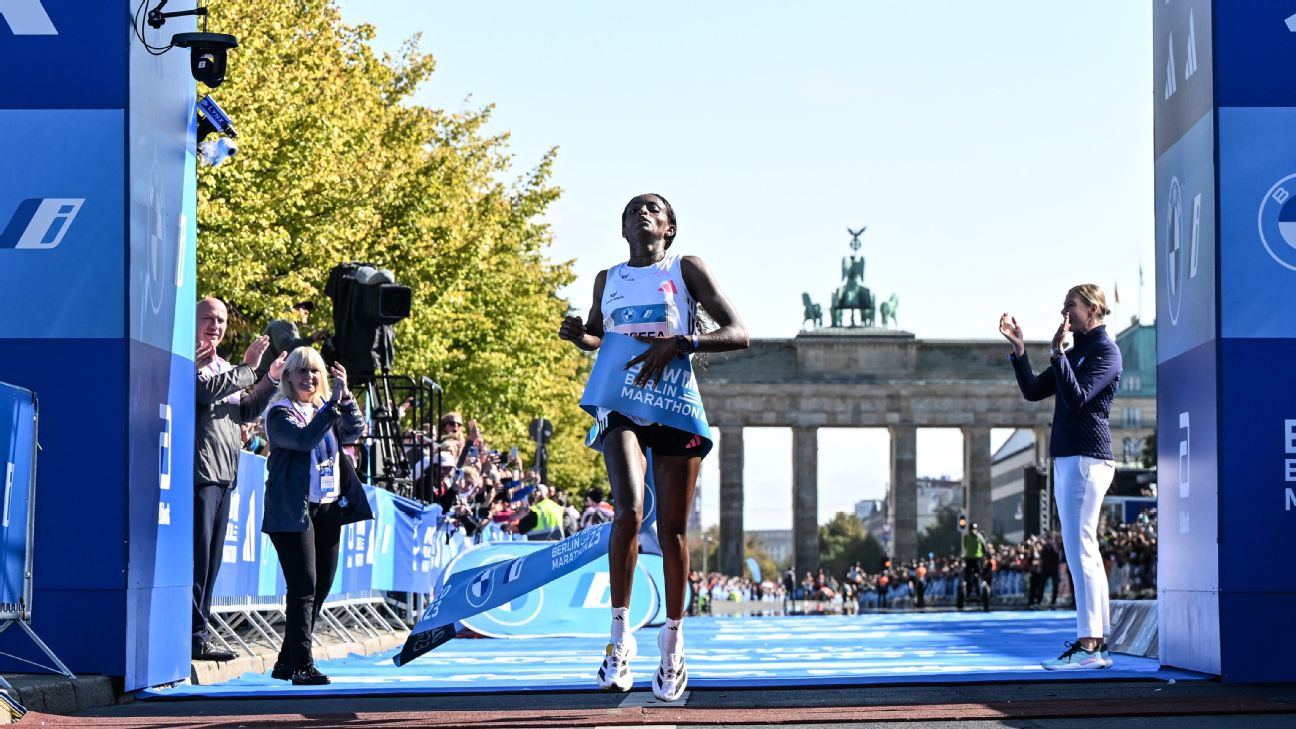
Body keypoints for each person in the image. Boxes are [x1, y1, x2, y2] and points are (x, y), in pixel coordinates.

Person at [559, 193, 748, 701]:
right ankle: (619, 639)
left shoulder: (686, 269)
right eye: (631, 210)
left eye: (653, 209)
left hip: (672, 398)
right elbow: (601, 333)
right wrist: (582, 336)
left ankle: (672, 641)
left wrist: (682, 343)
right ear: (623, 229)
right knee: (627, 511)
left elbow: (739, 333)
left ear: (669, 226)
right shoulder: (609, 278)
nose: (641, 214)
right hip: (619, 396)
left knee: (672, 532)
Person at [1000, 283, 1122, 670]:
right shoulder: (1076, 352)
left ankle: (1088, 644)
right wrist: (1021, 351)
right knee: (1084, 547)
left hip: (1088, 455)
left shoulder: (1107, 352)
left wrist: (1057, 353)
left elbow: (1079, 398)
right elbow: (1035, 390)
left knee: (1080, 547)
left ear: (1093, 308)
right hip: (1071, 456)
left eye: (1071, 305)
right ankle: (1098, 642)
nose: (1064, 312)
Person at [262, 346, 373, 685]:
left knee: (321, 585)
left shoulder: (328, 408)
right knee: (303, 587)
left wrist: (347, 399)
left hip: (327, 507)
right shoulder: (279, 412)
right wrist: (332, 407)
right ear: (288, 376)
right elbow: (303, 440)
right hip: (292, 510)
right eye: (301, 371)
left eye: (315, 372)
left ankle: (286, 660)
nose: (308, 378)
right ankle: (302, 665)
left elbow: (354, 431)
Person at [193, 297, 285, 662]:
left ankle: (199, 633)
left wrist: (269, 378)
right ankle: (193, 635)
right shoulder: (191, 360)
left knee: (211, 562)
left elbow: (244, 408)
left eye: (222, 320)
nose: (216, 325)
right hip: (199, 473)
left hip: (224, 473)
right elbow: (203, 392)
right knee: (198, 561)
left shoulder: (221, 366)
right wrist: (248, 367)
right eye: (208, 318)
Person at [256, 300, 329, 379]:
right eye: (303, 308)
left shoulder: (286, 325)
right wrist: (311, 339)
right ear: (292, 310)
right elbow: (286, 349)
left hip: (271, 379)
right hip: (266, 381)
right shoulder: (281, 323)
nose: (307, 312)